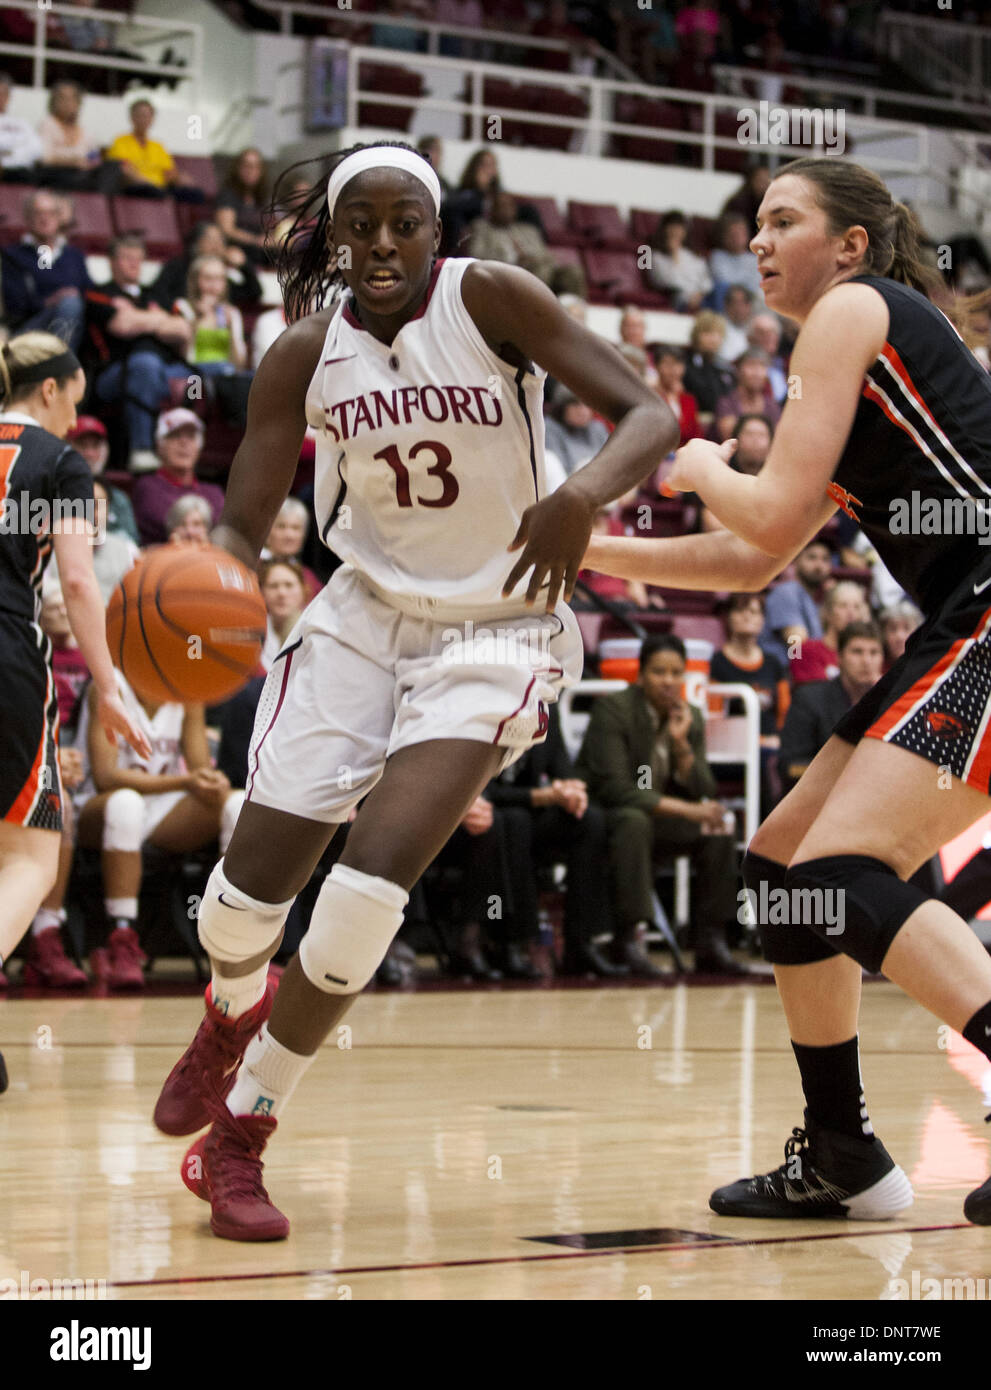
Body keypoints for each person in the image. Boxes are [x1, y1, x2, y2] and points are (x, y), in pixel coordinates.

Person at [151, 138, 676, 1240]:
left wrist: (580, 493)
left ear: (438, 232)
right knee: (241, 902)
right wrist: (211, 581)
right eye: (361, 225)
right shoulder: (302, 352)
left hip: (497, 628)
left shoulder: (492, 298)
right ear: (334, 239)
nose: (382, 242)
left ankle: (241, 1137)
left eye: (404, 222)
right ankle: (226, 1010)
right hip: (361, 619)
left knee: (365, 890)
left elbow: (650, 414)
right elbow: (246, 524)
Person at [581, 154, 991, 1226]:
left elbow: (754, 514)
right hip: (961, 617)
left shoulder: (852, 309)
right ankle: (844, 1152)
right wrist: (594, 546)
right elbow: (753, 560)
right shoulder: (857, 347)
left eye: (781, 220)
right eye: (751, 223)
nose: (755, 240)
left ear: (849, 246)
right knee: (786, 874)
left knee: (842, 869)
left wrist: (700, 462)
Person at [0, 332, 148, 1081]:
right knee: (30, 851)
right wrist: (110, 686)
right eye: (77, 403)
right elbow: (82, 585)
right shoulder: (61, 463)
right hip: (5, 656)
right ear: (53, 391)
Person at [576, 634, 748, 976]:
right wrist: (687, 811)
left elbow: (705, 787)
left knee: (719, 827)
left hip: (658, 815)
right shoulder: (614, 710)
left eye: (675, 673)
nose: (668, 681)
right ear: (640, 675)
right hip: (606, 813)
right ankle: (628, 940)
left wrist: (681, 743)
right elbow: (616, 788)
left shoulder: (691, 717)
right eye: (659, 672)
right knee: (634, 820)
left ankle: (710, 940)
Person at [75, 674, 244, 989]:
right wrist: (185, 782)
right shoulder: (108, 686)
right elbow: (106, 777)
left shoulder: (186, 689)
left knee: (236, 804)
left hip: (161, 809)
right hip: (97, 807)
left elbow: (198, 770)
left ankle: (232, 942)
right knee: (126, 805)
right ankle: (120, 938)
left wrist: (212, 781)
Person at [88, 234, 194, 472]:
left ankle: (189, 454)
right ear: (112, 262)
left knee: (198, 377)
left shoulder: (157, 294)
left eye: (138, 259)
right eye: (126, 258)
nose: (134, 264)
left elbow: (183, 330)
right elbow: (121, 326)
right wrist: (161, 320)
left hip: (166, 368)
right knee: (145, 365)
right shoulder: (99, 293)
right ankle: (142, 449)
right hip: (115, 373)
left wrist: (141, 318)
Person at [778, 622, 884, 792]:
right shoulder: (809, 699)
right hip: (816, 800)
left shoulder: (888, 704)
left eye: (874, 652)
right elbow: (790, 766)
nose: (866, 661)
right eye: (857, 652)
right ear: (839, 658)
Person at [711, 592, 790, 816]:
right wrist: (760, 741)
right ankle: (764, 836)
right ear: (728, 618)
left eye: (754, 611)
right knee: (766, 761)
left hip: (773, 745)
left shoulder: (774, 664)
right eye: (741, 610)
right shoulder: (717, 662)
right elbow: (715, 717)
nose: (748, 616)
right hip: (733, 748)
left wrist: (779, 739)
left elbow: (784, 712)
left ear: (763, 620)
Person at [1, 190, 91, 350]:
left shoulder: (74, 255)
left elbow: (89, 292)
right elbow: (15, 306)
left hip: (74, 327)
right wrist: (51, 301)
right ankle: (60, 368)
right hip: (29, 330)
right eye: (38, 213)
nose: (45, 219)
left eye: (51, 213)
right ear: (27, 218)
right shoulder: (14, 255)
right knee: (70, 304)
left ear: (59, 217)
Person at [131, 408, 224, 545]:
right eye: (175, 436)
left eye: (191, 437)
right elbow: (169, 522)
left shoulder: (214, 492)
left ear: (199, 447)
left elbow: (225, 530)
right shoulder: (147, 487)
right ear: (160, 445)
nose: (184, 443)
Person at [150, 221, 262, 314]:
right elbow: (157, 295)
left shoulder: (220, 276)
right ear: (196, 243)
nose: (216, 245)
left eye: (220, 240)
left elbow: (254, 292)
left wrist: (244, 265)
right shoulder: (177, 267)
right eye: (210, 239)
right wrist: (184, 308)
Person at [760, 537, 833, 668]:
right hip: (783, 674)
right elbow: (796, 647)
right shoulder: (787, 592)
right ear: (796, 561)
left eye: (825, 559)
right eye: (812, 557)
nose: (819, 565)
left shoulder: (815, 600)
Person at [104, 99, 199, 199]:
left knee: (195, 194)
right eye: (139, 115)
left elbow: (169, 172)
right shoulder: (120, 141)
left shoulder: (158, 146)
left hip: (160, 188)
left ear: (152, 119)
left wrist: (180, 178)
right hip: (138, 187)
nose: (143, 119)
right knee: (154, 192)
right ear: (132, 118)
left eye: (147, 116)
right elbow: (124, 170)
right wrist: (148, 182)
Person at [66, 415, 139, 543]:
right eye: (82, 446)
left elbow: (132, 544)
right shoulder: (54, 491)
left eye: (95, 446)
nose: (90, 454)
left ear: (106, 450)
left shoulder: (118, 499)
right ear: (67, 448)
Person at [788, 579, 871, 684]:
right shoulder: (805, 650)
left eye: (857, 607)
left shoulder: (867, 655)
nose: (851, 613)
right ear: (828, 612)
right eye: (843, 605)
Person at [36, 80, 99, 190]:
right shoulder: (47, 125)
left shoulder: (86, 132)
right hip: (56, 177)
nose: (67, 103)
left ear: (79, 102)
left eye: (72, 98)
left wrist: (91, 164)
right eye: (62, 98)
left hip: (84, 177)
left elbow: (94, 158)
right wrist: (74, 162)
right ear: (53, 102)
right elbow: (45, 158)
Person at [646, 211, 713, 312]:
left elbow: (707, 281)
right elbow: (670, 282)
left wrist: (700, 294)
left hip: (701, 297)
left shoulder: (693, 255)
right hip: (679, 299)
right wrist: (674, 255)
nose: (675, 231)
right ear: (664, 230)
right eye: (672, 227)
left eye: (679, 228)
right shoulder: (656, 257)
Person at [214, 148, 272, 266]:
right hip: (235, 249)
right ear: (237, 168)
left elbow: (270, 226)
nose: (251, 171)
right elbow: (227, 230)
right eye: (247, 166)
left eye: (256, 167)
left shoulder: (262, 197)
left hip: (259, 250)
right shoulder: (228, 195)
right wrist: (256, 240)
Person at [714, 348, 782, 441]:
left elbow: (778, 439)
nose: (756, 373)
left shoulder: (772, 405)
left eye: (762, 366)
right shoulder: (726, 403)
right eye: (751, 365)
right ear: (738, 370)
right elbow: (730, 437)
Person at [258, 557, 307, 671]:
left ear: (304, 591)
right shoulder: (252, 631)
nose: (282, 593)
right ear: (262, 592)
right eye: (273, 586)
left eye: (289, 585)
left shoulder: (318, 630)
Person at [709, 214, 763, 303]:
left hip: (751, 301)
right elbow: (723, 280)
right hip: (728, 301)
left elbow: (757, 285)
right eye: (732, 234)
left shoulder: (756, 259)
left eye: (740, 233)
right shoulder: (717, 257)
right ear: (723, 237)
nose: (736, 238)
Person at [0, 71, 41, 179]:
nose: (0, 97)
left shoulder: (21, 123)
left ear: (9, 96)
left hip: (20, 171)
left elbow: (36, 149)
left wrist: (9, 157)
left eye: (3, 93)